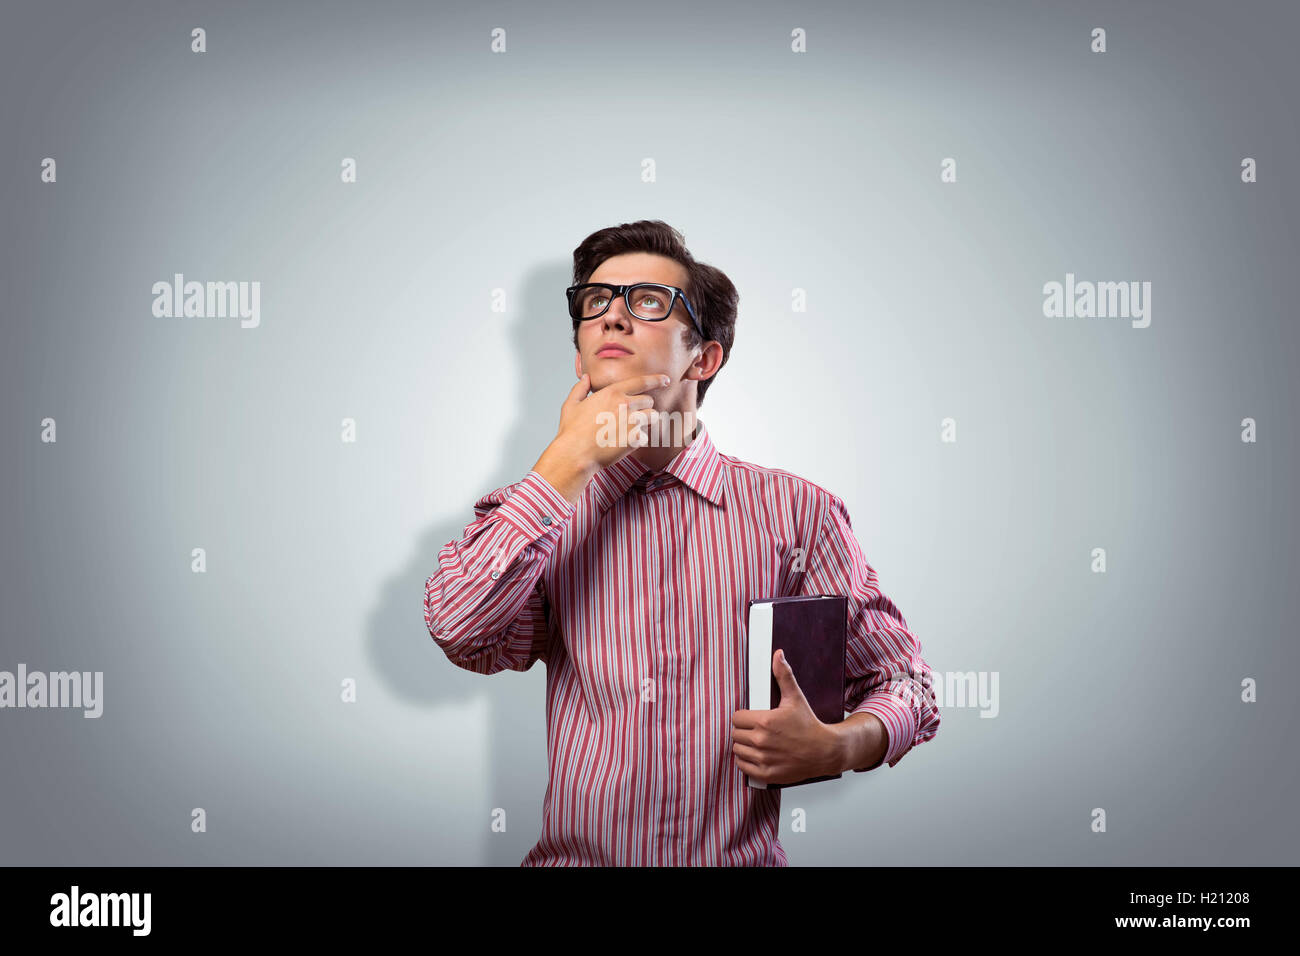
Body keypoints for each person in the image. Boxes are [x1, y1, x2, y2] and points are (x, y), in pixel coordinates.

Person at [424, 220, 940, 865]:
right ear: (579, 353)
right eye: (595, 302)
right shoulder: (543, 515)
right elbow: (459, 632)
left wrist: (840, 746)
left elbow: (905, 682)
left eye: (646, 302)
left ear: (704, 358)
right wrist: (562, 466)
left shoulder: (798, 512)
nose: (611, 315)